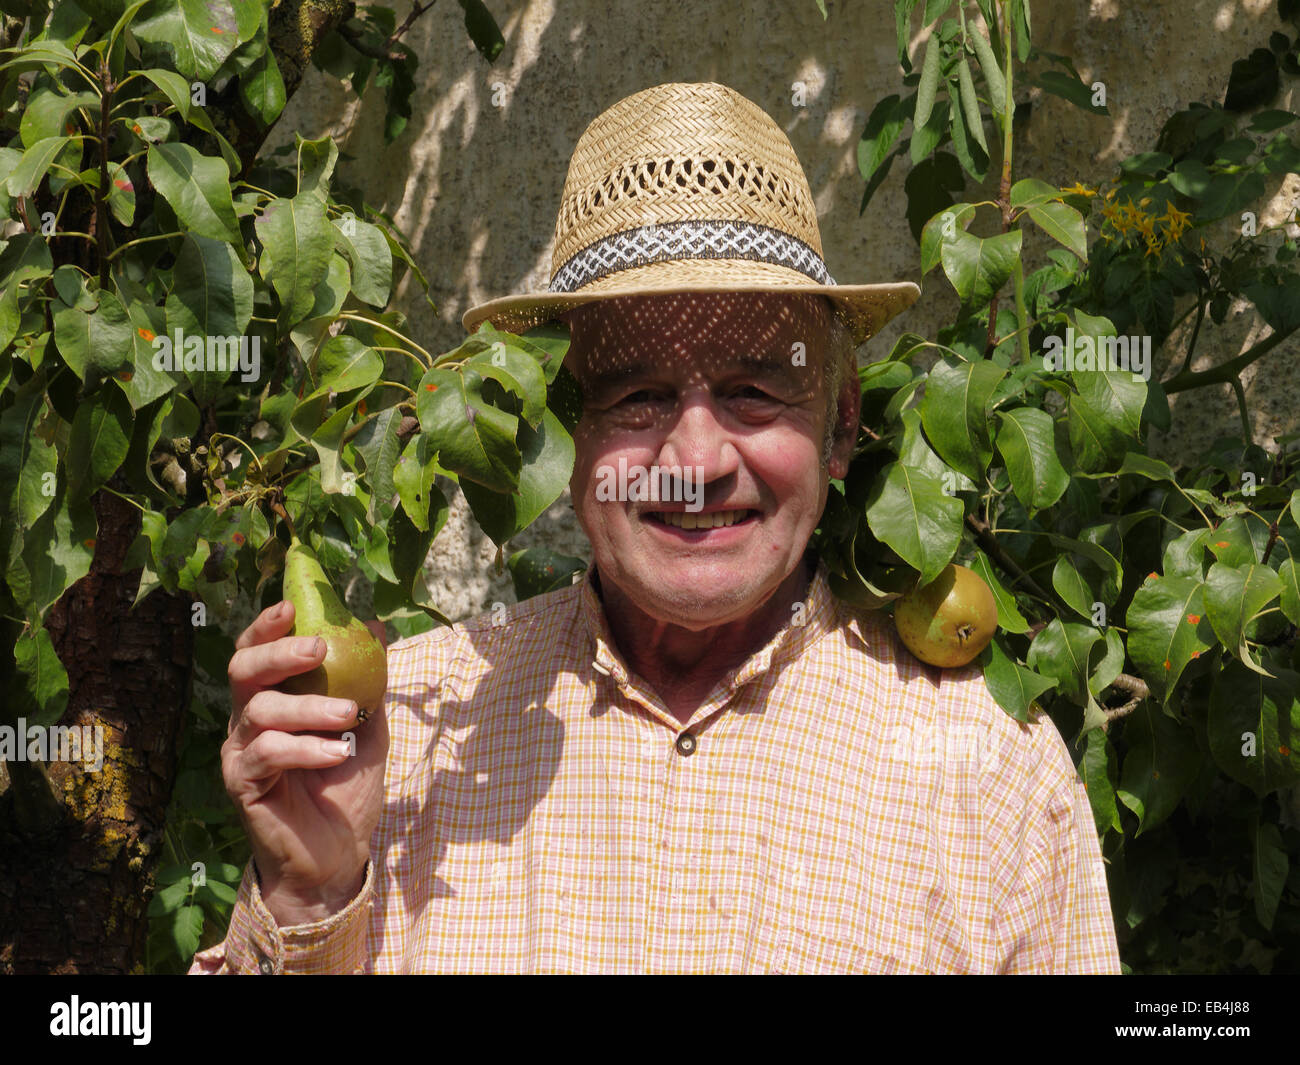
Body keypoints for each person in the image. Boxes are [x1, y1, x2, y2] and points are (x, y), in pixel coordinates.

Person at [190, 82, 1121, 974]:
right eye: (639, 395)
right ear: (567, 429)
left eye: (755, 392)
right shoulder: (405, 737)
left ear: (839, 427)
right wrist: (309, 902)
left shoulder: (991, 772)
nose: (698, 457)